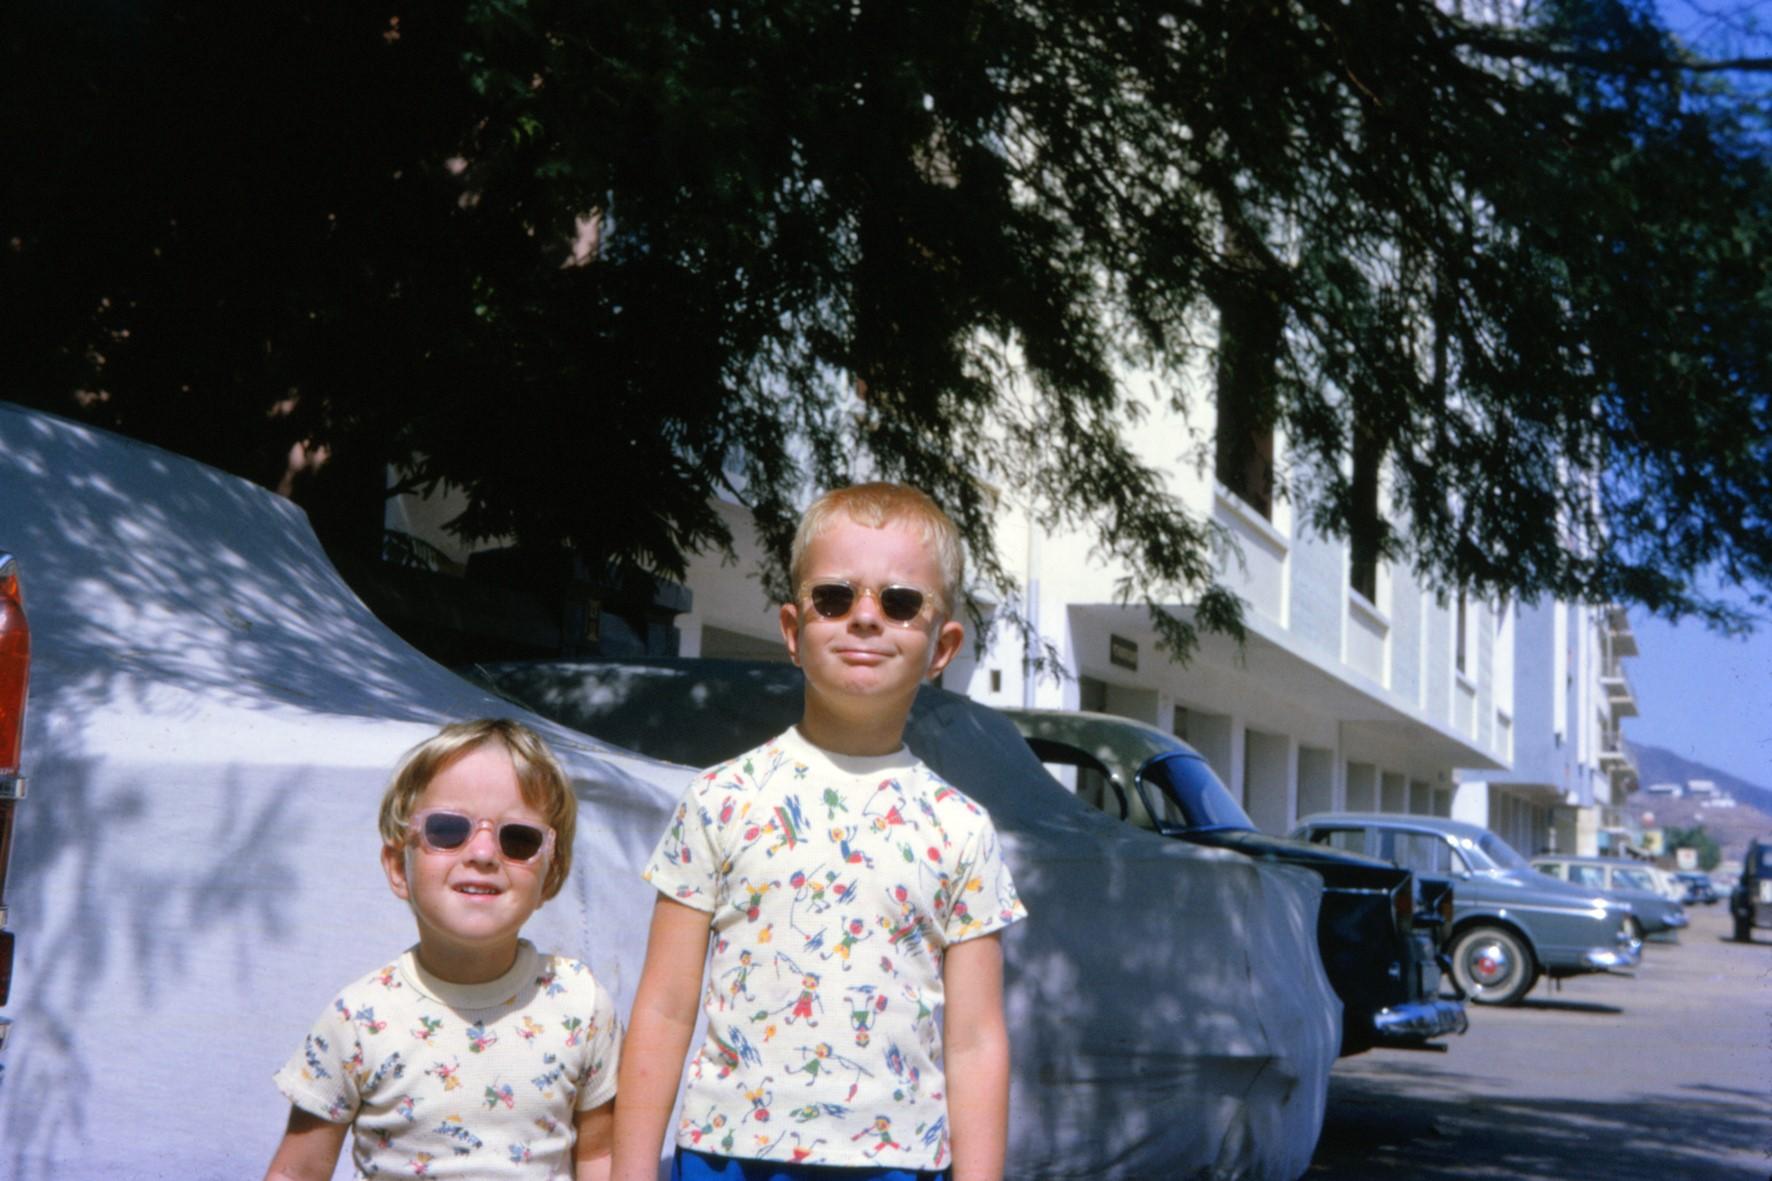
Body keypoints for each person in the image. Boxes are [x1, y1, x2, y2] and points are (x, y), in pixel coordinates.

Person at [612, 483, 1027, 1181]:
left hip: (900, 1161)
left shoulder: (961, 827)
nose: (865, 617)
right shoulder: (721, 798)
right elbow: (664, 1003)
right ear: (792, 629)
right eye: (835, 597)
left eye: (899, 602)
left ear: (942, 644)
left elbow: (977, 1040)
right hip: (729, 1153)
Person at [264, 718, 621, 1181]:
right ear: (397, 866)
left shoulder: (580, 1003)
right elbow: (297, 1173)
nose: (483, 853)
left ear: (551, 874)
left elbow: (601, 1156)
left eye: (518, 839)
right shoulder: (358, 1019)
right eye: (449, 830)